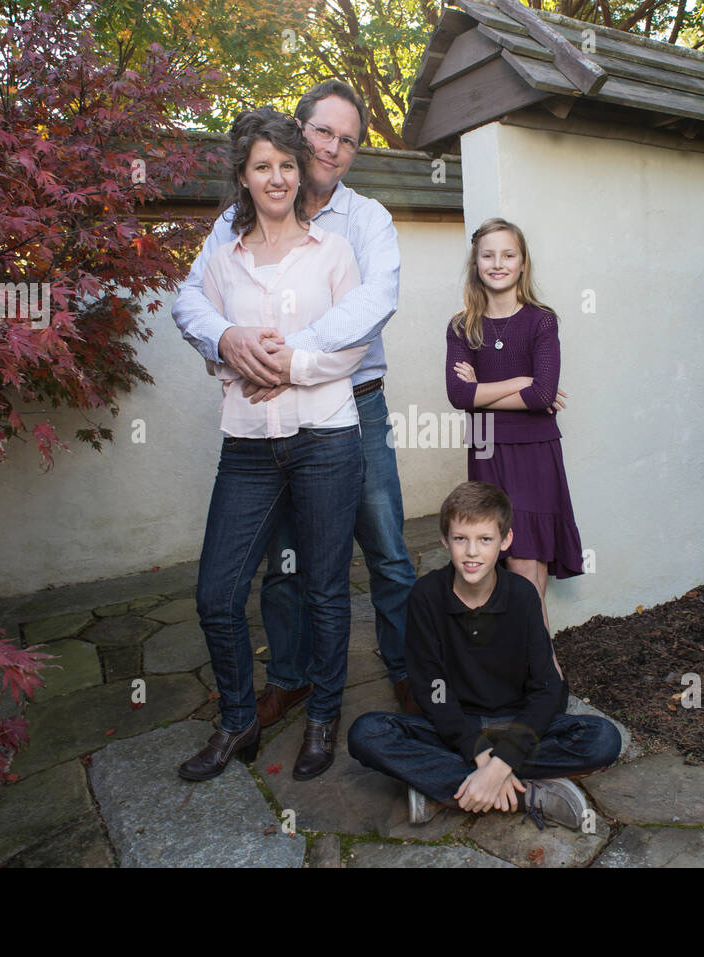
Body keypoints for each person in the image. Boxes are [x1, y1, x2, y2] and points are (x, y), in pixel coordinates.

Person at [172, 80, 418, 732]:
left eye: (348, 139)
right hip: (268, 427)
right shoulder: (241, 217)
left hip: (351, 411)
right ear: (296, 129)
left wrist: (289, 359)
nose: (333, 147)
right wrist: (226, 338)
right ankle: (292, 676)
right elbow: (191, 298)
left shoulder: (365, 222)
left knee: (388, 552)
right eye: (323, 132)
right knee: (283, 566)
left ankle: (405, 669)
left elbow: (372, 304)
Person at [177, 107, 365, 783]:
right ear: (244, 177)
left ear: (300, 171)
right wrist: (235, 357)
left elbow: (352, 345)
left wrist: (287, 368)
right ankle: (238, 719)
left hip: (327, 440)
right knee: (216, 594)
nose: (278, 176)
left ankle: (323, 717)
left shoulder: (335, 253)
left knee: (324, 589)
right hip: (250, 447)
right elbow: (195, 321)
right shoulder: (222, 258)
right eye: (264, 166)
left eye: (288, 164)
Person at [347, 481, 620, 828]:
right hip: (457, 724)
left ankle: (444, 788)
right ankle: (527, 795)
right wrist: (474, 748)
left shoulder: (521, 595)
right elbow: (432, 688)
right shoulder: (426, 595)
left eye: (485, 540)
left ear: (505, 541)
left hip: (516, 719)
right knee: (367, 733)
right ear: (445, 540)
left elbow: (548, 688)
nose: (472, 552)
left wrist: (503, 759)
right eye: (461, 539)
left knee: (603, 740)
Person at [444, 217, 584, 666]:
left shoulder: (541, 321)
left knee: (526, 567)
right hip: (487, 451)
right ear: (476, 262)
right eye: (488, 255)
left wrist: (492, 389)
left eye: (508, 255)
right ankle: (510, 666)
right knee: (491, 562)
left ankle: (546, 669)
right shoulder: (464, 326)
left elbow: (543, 395)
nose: (497, 263)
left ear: (523, 263)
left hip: (534, 453)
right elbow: (459, 396)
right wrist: (519, 381)